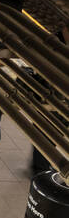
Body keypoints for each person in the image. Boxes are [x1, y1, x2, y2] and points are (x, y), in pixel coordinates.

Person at [31, 21, 69, 175]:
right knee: (45, 131)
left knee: (55, 133)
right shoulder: (52, 42)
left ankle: (43, 163)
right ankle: (40, 170)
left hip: (61, 97)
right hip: (48, 95)